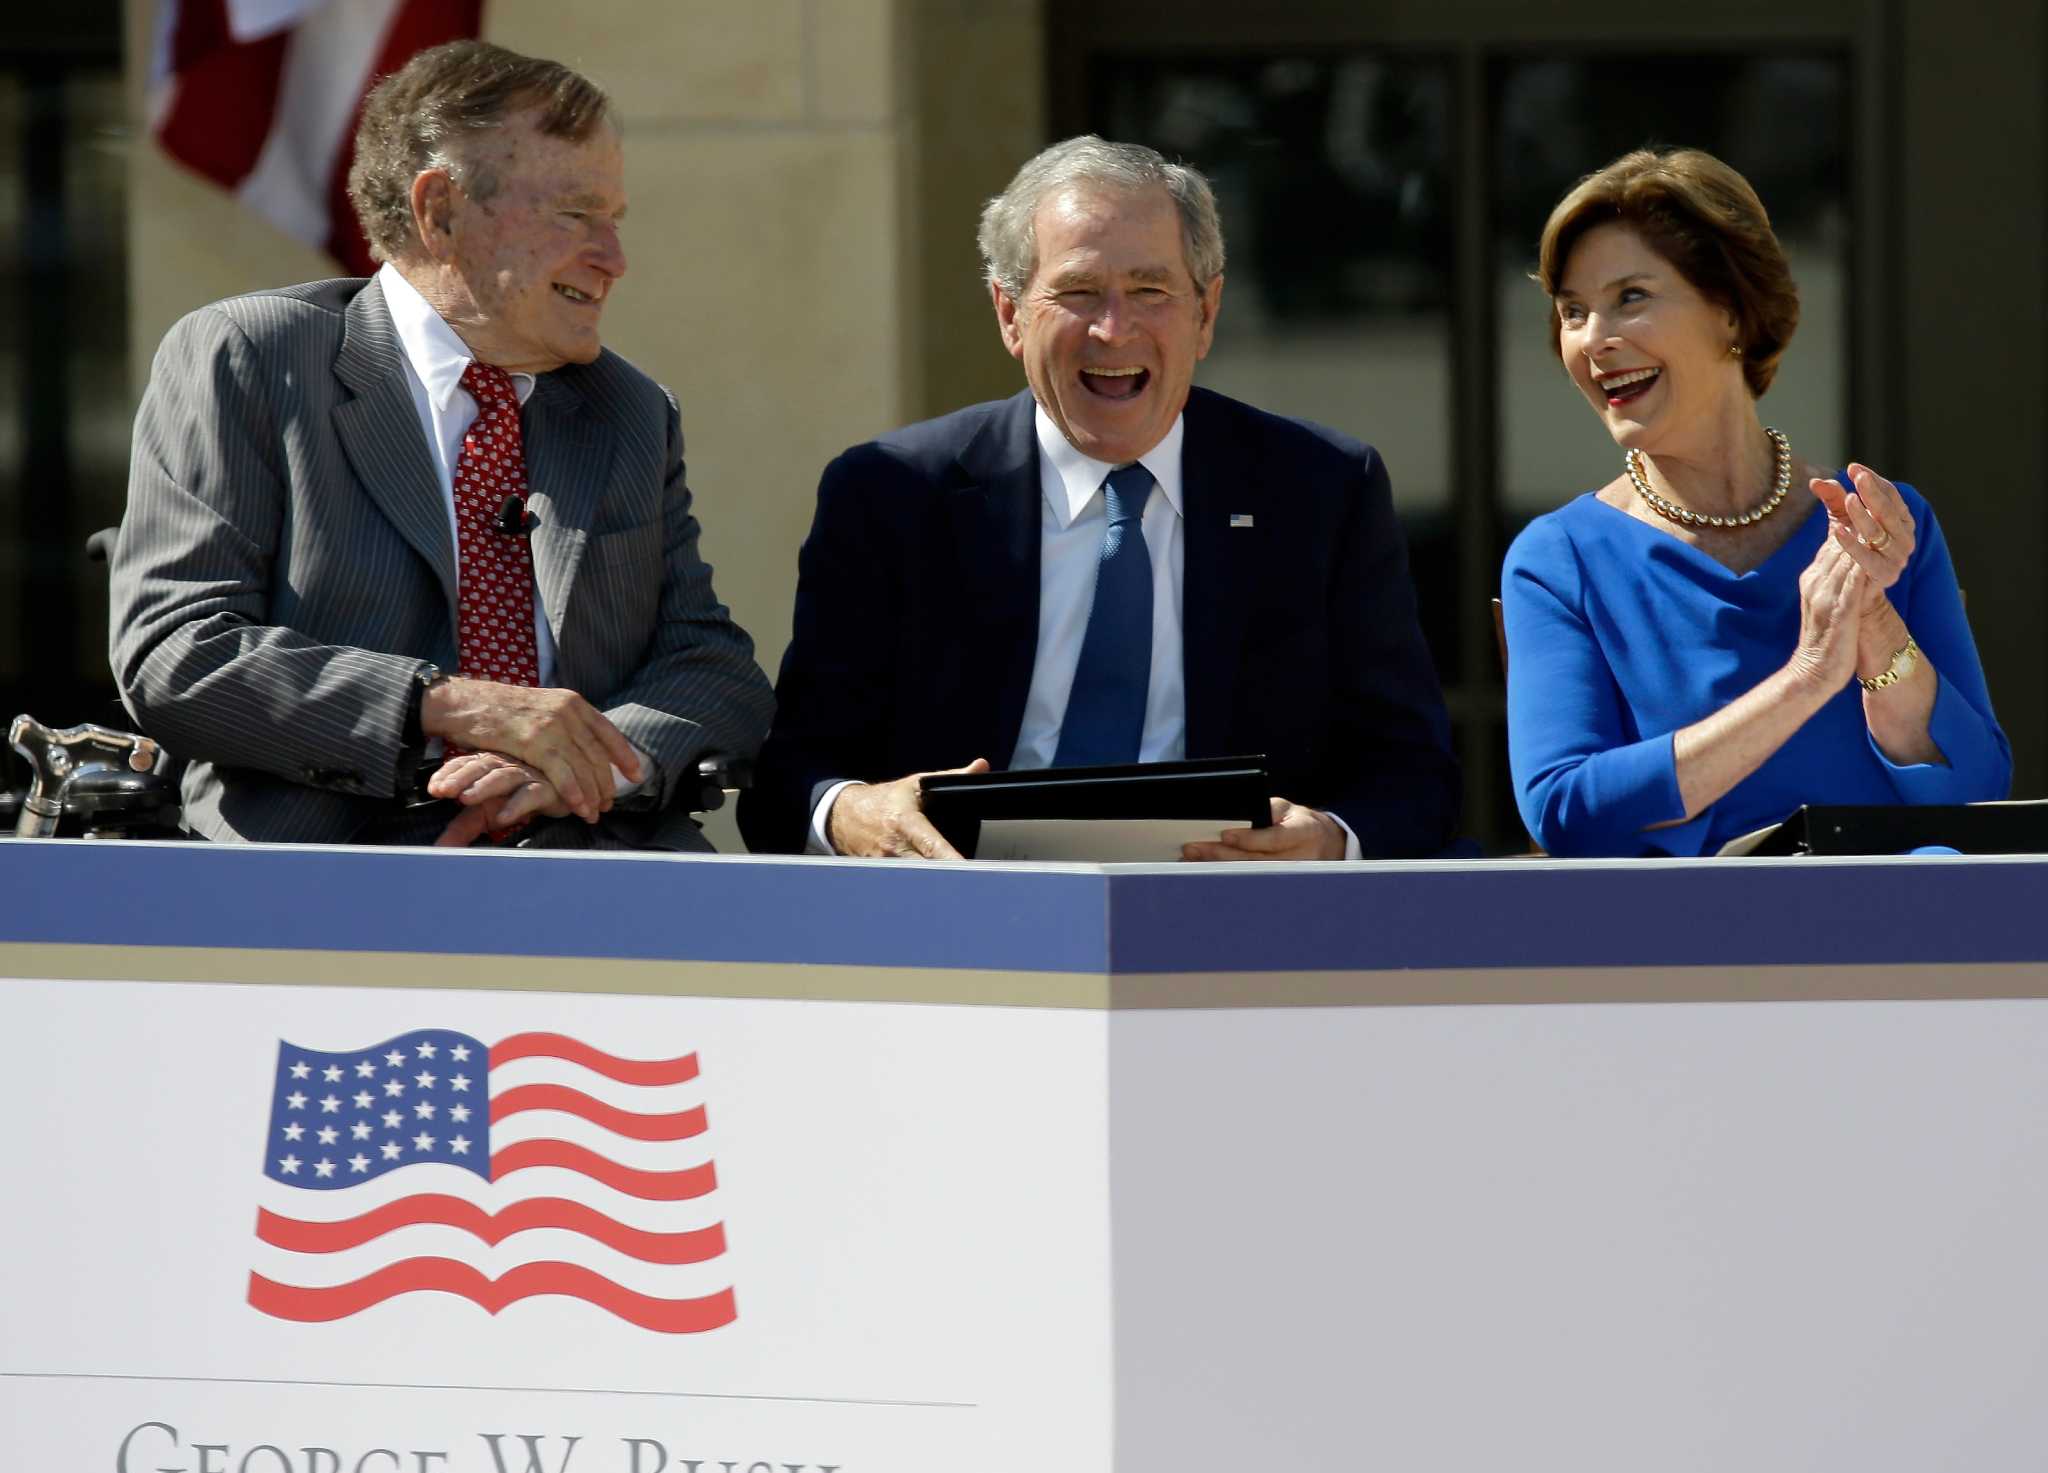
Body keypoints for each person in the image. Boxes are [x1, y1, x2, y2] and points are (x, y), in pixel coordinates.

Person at [111, 41, 773, 849]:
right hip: (329, 876)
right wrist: (454, 706)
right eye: (575, 215)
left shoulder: (627, 410)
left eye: (614, 220)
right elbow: (177, 653)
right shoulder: (256, 359)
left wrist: (584, 766)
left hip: (592, 872)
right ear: (441, 213)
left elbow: (711, 667)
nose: (614, 259)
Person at [737, 136, 1458, 861]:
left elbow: (1413, 774)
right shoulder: (892, 494)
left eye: (1150, 291)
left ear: (1206, 313)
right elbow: (790, 779)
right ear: (1010, 314)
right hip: (969, 904)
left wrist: (1328, 840)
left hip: (1231, 906)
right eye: (1078, 292)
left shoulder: (1320, 491)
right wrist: (854, 812)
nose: (1114, 330)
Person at [1502, 148, 2009, 857]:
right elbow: (1565, 809)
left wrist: (1874, 628)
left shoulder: (1879, 523)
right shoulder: (1560, 560)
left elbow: (1976, 791)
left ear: (1732, 312)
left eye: (1631, 298)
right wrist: (1805, 679)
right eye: (1573, 312)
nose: (1593, 340)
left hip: (1892, 919)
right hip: (1692, 927)